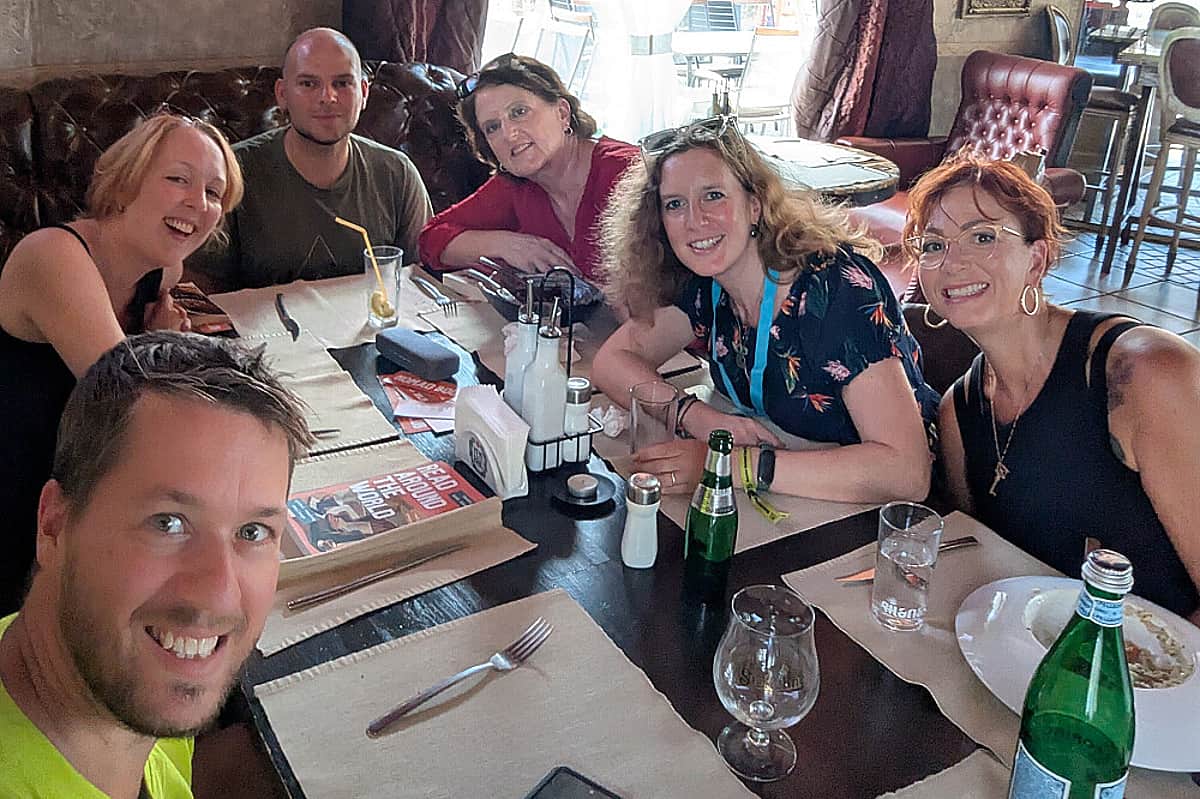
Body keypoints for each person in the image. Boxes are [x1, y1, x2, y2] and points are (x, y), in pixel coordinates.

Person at [0, 332, 312, 798]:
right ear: (53, 526)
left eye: (252, 532)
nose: (218, 594)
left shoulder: (126, 682)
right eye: (168, 523)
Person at [905, 155, 1200, 622]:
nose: (953, 263)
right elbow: (979, 563)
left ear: (1036, 259)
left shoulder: (1141, 372)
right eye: (934, 245)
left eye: (982, 237)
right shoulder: (959, 412)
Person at [593, 117, 939, 503]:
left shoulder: (835, 292)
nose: (695, 220)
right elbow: (612, 361)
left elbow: (906, 473)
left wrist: (725, 464)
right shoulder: (704, 284)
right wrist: (694, 416)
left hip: (878, 513)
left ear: (754, 205)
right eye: (675, 205)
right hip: (791, 499)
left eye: (713, 196)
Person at [0, 113, 243, 615]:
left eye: (215, 193)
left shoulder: (163, 267)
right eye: (178, 178)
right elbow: (132, 398)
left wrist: (154, 339)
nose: (198, 204)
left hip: (86, 475)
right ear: (128, 178)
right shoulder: (52, 256)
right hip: (18, 503)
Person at [186, 27, 433, 291]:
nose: (328, 97)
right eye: (308, 83)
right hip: (262, 329)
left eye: (342, 83)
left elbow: (422, 278)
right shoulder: (232, 172)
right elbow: (199, 288)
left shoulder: (398, 173)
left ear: (364, 93)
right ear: (282, 94)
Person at [418, 53, 637, 281]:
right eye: (493, 127)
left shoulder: (624, 173)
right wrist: (503, 244)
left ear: (562, 113)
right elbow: (431, 239)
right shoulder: (517, 186)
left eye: (519, 112)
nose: (509, 134)